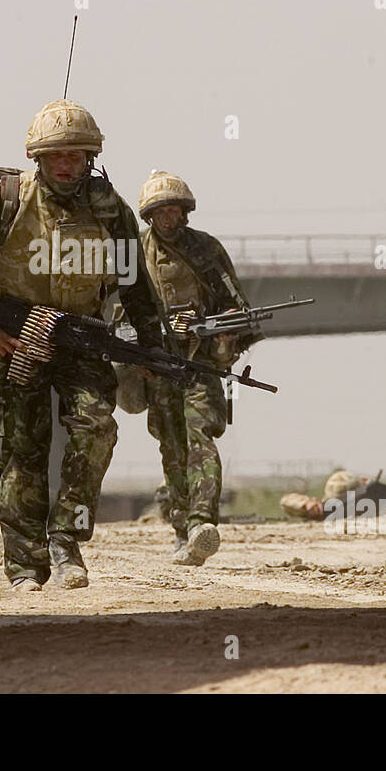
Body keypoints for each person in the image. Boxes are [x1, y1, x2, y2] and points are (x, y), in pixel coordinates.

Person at [0, 99, 164, 590]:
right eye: (56, 156)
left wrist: (152, 348)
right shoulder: (0, 201)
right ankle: (25, 566)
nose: (66, 165)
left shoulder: (109, 209)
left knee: (97, 429)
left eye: (75, 156)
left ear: (90, 157)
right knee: (24, 451)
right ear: (38, 158)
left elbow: (135, 284)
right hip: (18, 341)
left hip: (82, 338)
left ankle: (66, 539)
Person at [137, 170, 257, 565]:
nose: (169, 218)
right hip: (158, 364)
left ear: (185, 211)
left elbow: (235, 304)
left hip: (200, 362)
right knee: (171, 445)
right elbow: (118, 311)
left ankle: (202, 521)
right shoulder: (135, 254)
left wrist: (222, 329)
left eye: (174, 209)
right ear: (149, 215)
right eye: (161, 211)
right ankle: (181, 528)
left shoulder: (205, 249)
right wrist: (143, 347)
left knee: (200, 436)